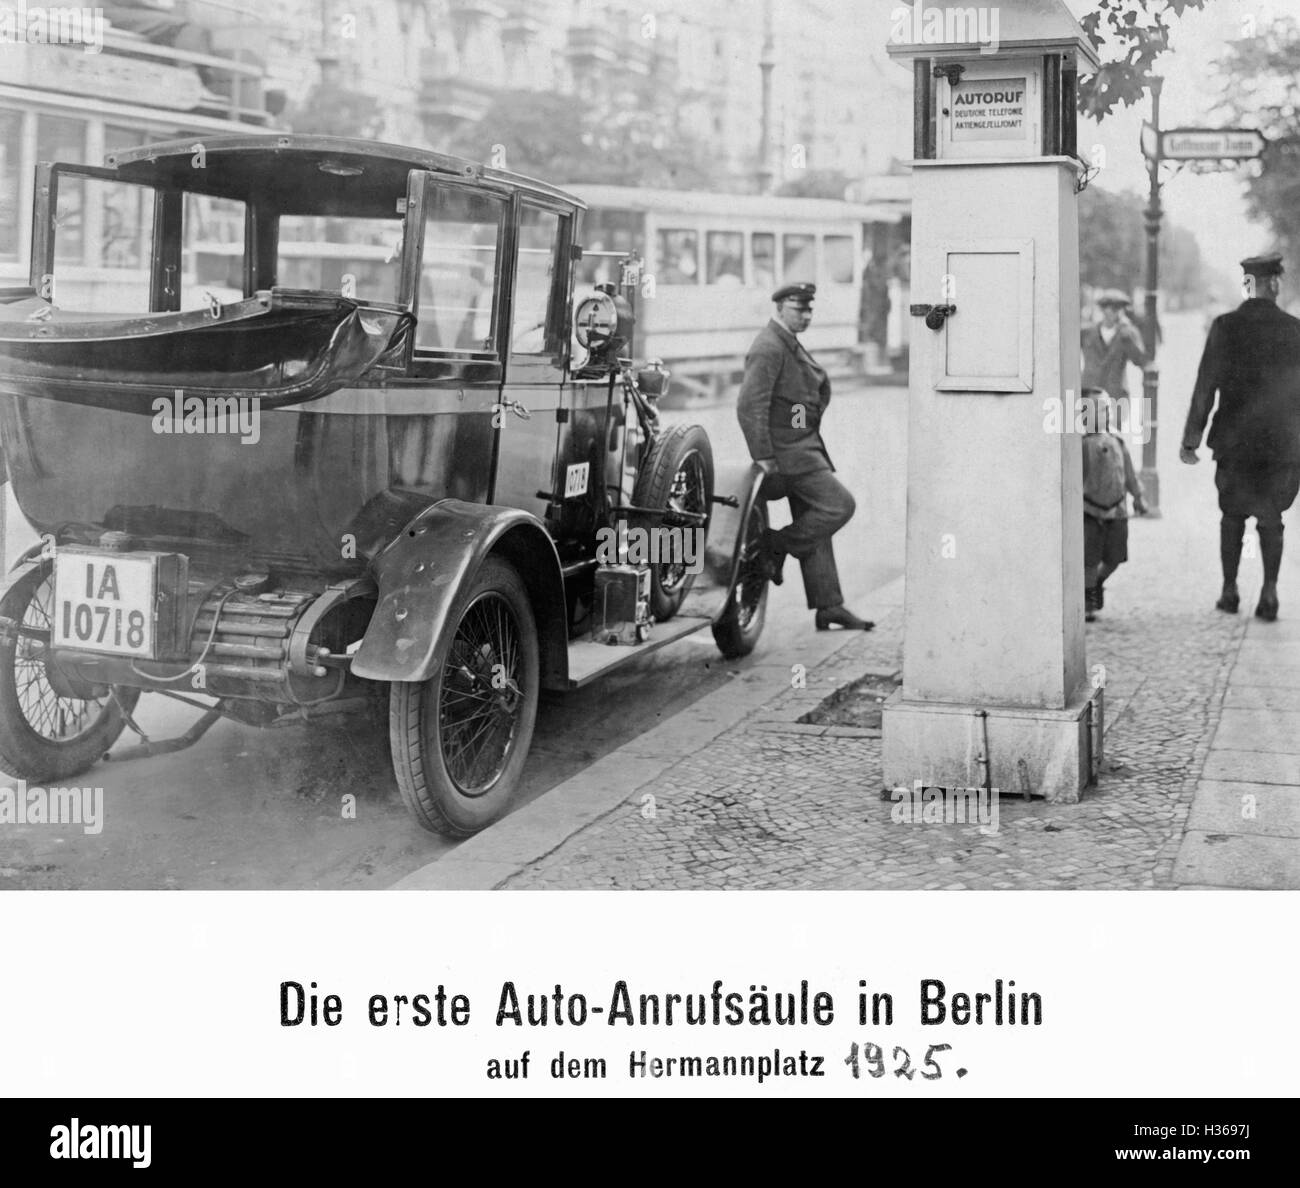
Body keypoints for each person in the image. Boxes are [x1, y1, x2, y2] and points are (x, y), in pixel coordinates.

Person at [736, 282, 872, 631]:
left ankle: (829, 606)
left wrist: (799, 422)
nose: (807, 316)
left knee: (815, 525)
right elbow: (751, 406)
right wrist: (766, 456)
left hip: (802, 448)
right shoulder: (768, 347)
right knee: (839, 506)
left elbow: (795, 400)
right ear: (779, 308)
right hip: (789, 458)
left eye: (810, 309)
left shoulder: (786, 344)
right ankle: (774, 545)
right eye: (799, 309)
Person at [1181, 252, 1300, 621]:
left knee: (1231, 516)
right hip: (1282, 443)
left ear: (1247, 284)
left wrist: (1191, 438)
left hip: (1234, 441)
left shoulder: (1224, 326)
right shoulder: (1296, 330)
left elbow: (1206, 385)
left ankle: (1229, 590)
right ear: (1276, 284)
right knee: (1271, 518)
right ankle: (1269, 592)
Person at [1080, 388, 1148, 621]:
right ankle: (1087, 600)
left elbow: (1128, 473)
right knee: (1089, 559)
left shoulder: (1117, 440)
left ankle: (1097, 581)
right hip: (1089, 511)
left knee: (1115, 558)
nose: (1105, 413)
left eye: (1107, 408)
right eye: (1098, 409)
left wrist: (1138, 497)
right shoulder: (1080, 444)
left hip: (1117, 510)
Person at [1081, 289, 1149, 402]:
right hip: (1089, 394)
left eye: (1119, 308)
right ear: (1103, 309)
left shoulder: (1128, 333)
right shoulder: (1087, 332)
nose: (1116, 313)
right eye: (1112, 308)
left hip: (1116, 396)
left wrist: (1129, 337)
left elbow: (1140, 360)